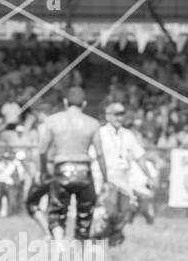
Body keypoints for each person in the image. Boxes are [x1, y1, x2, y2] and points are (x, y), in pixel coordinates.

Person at [37, 87, 107, 242]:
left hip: (61, 168)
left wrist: (43, 171)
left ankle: (59, 245)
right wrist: (105, 178)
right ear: (84, 104)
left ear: (65, 102)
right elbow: (100, 154)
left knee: (56, 212)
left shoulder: (52, 121)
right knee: (85, 215)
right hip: (84, 170)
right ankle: (79, 251)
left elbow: (42, 150)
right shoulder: (93, 123)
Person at [98, 102, 156, 247]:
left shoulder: (128, 135)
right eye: (116, 114)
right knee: (110, 212)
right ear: (108, 116)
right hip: (106, 177)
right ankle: (102, 236)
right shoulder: (100, 133)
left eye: (122, 113)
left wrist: (148, 176)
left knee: (124, 211)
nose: (119, 117)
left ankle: (114, 242)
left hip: (123, 178)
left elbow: (139, 157)